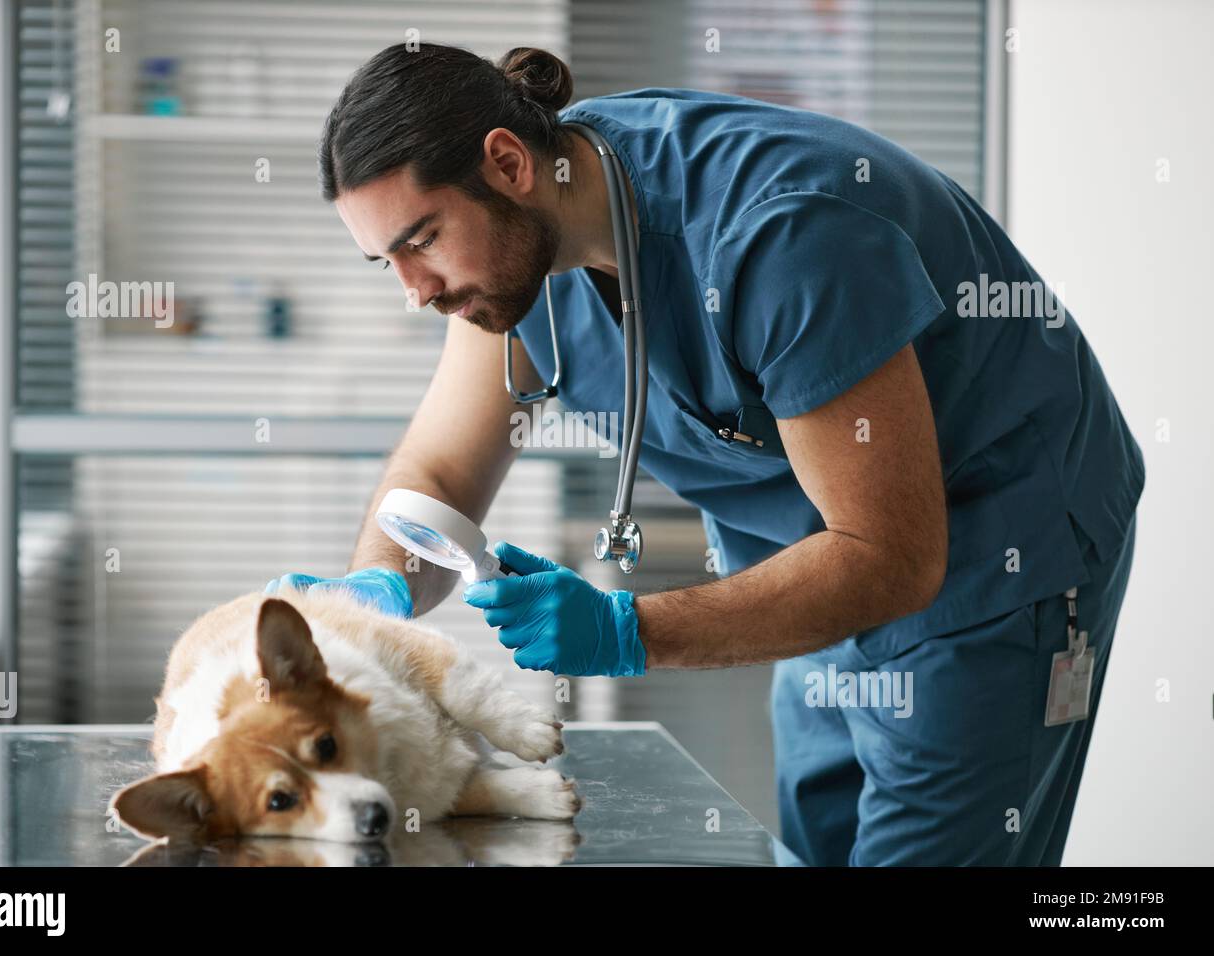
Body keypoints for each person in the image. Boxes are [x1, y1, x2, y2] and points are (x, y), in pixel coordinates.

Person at [268, 43, 1144, 866]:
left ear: (508, 164)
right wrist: (374, 596)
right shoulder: (513, 265)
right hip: (814, 566)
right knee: (816, 845)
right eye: (388, 262)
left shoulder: (781, 232)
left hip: (996, 556)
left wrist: (626, 631)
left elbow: (893, 559)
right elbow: (438, 476)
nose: (416, 292)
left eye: (421, 240)